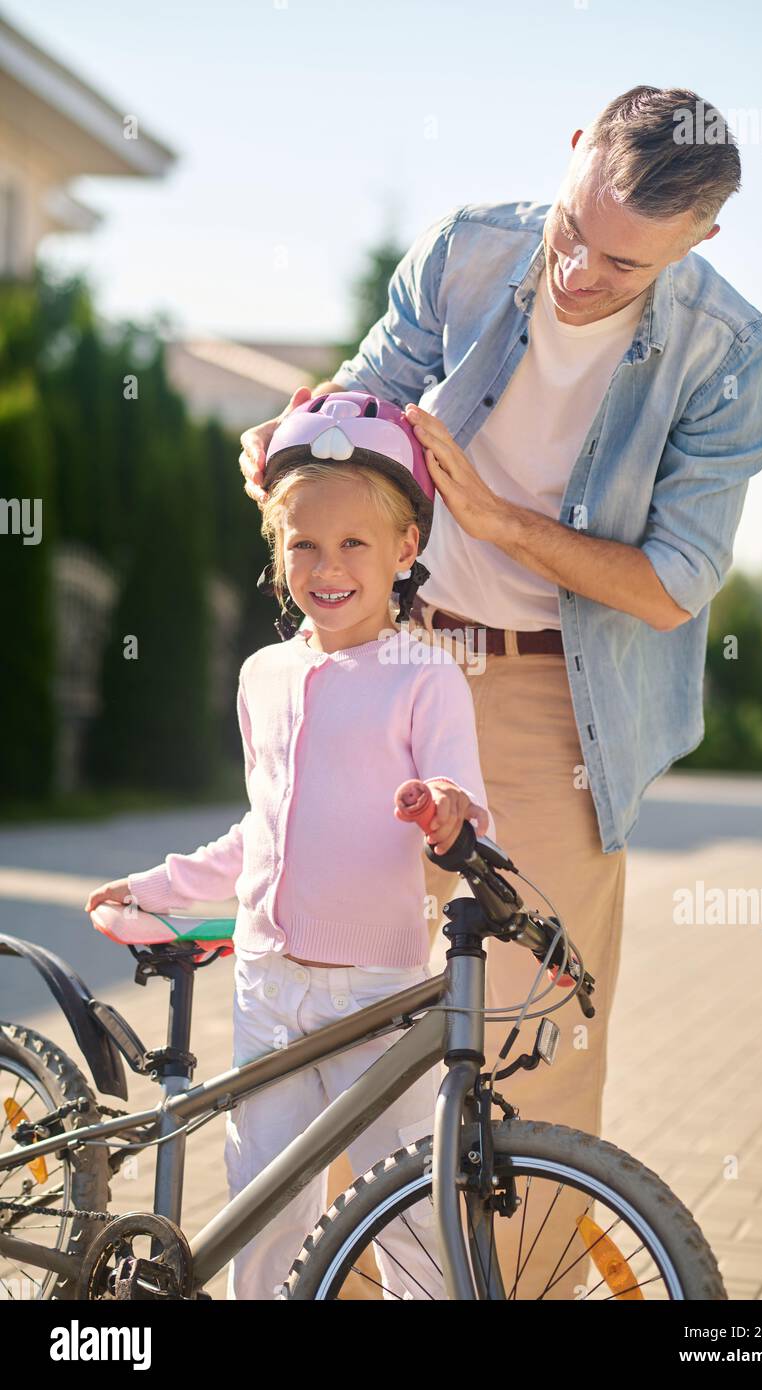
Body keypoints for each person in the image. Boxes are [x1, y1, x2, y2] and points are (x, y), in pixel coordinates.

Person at [238, 86, 762, 1298]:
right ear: (575, 146)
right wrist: (304, 433)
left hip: (553, 705)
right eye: (575, 231)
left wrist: (493, 519)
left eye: (624, 259)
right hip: (398, 656)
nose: (581, 272)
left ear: (700, 239)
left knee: (530, 1035)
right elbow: (369, 397)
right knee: (361, 1007)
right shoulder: (474, 249)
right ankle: (348, 1287)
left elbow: (668, 586)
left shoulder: (731, 356)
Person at [85, 391, 495, 1300]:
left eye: (355, 544)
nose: (326, 565)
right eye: (302, 543)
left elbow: (473, 815)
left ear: (404, 550)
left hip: (378, 998)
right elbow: (258, 833)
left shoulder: (425, 678)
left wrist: (446, 813)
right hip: (269, 988)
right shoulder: (264, 675)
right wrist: (154, 886)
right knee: (264, 1209)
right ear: (277, 551)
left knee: (412, 1213)